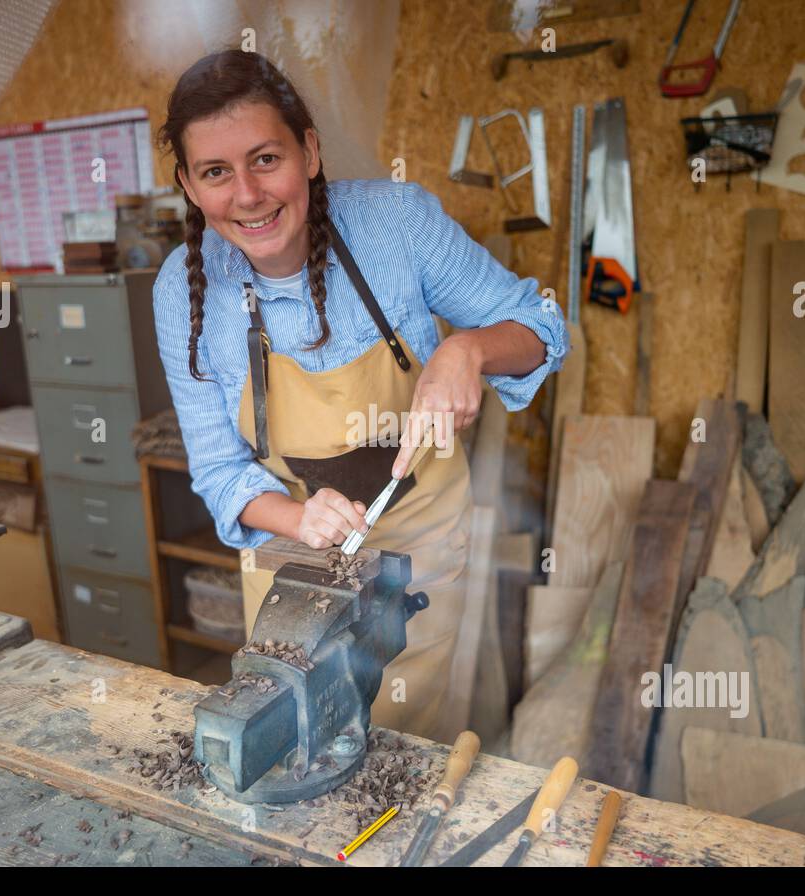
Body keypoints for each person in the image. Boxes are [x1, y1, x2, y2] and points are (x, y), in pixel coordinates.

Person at [153, 49, 567, 741]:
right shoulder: (183, 290)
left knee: (412, 746)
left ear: (309, 152)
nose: (248, 195)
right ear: (189, 186)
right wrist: (296, 518)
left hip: (422, 550)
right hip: (297, 562)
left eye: (266, 159)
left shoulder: (396, 225)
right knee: (302, 738)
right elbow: (219, 472)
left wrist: (468, 349)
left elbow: (542, 328)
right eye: (216, 173)